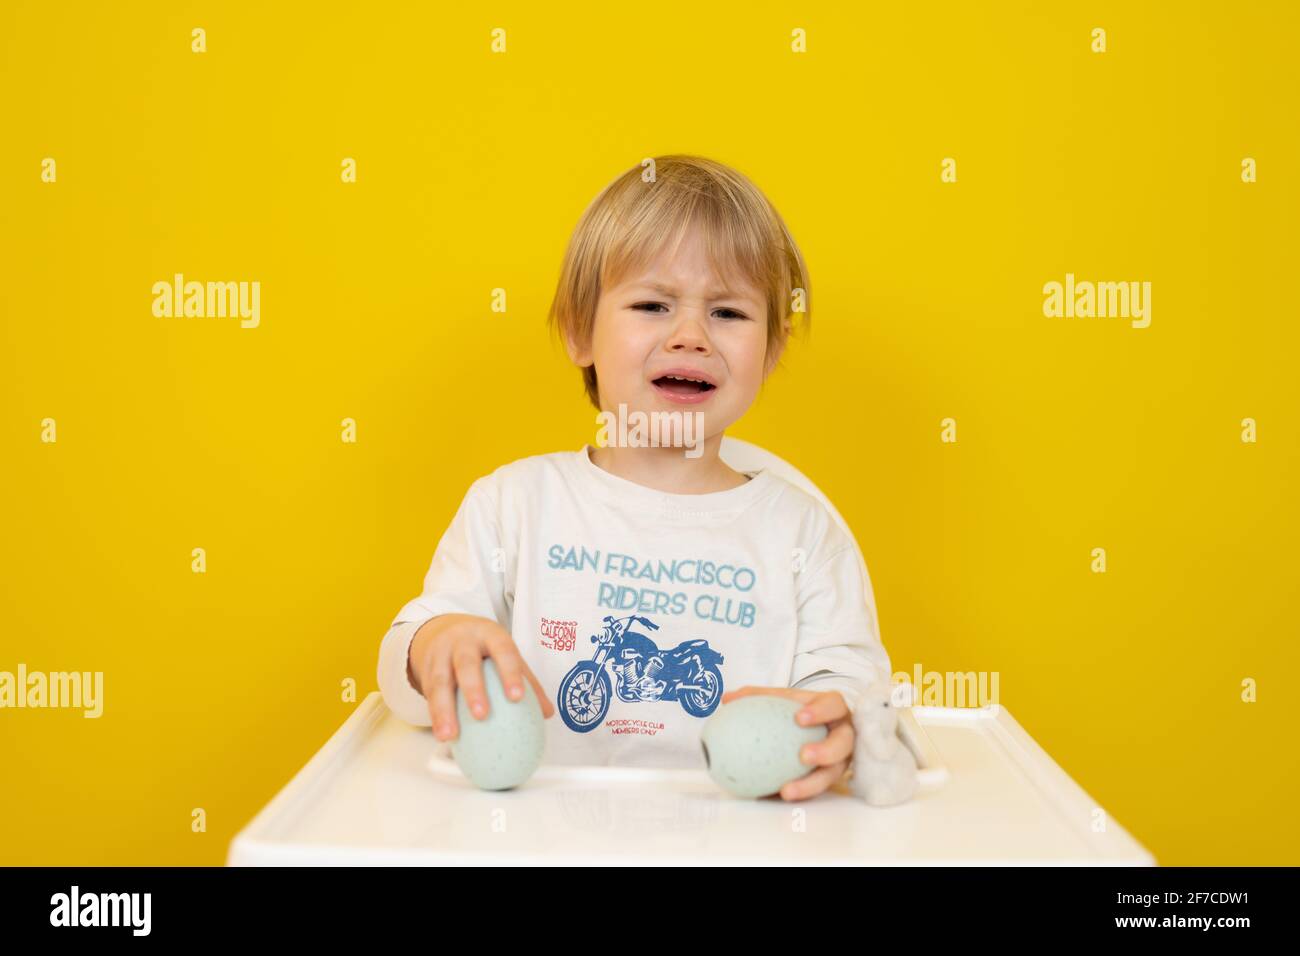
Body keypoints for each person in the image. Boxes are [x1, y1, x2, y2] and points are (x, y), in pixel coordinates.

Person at [376, 155, 891, 799]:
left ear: (772, 352)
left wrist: (838, 731)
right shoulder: (514, 507)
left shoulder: (803, 534)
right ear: (578, 332)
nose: (690, 335)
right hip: (530, 844)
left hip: (742, 847)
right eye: (652, 304)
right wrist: (436, 643)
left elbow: (853, 694)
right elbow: (401, 680)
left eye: (729, 313)